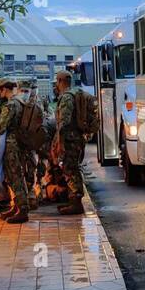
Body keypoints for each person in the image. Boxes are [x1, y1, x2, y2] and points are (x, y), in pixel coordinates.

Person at [0, 76, 34, 222]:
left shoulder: (10, 105)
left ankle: (22, 209)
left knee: (14, 176)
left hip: (11, 145)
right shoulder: (21, 102)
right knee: (16, 175)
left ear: (5, 89)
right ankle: (17, 206)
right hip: (20, 143)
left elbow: (1, 127)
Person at [52, 68, 85, 215]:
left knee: (70, 169)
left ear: (60, 81)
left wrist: (60, 141)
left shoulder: (66, 97)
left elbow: (63, 122)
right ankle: (73, 200)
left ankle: (76, 202)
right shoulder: (75, 94)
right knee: (71, 168)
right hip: (75, 137)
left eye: (57, 81)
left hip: (70, 139)